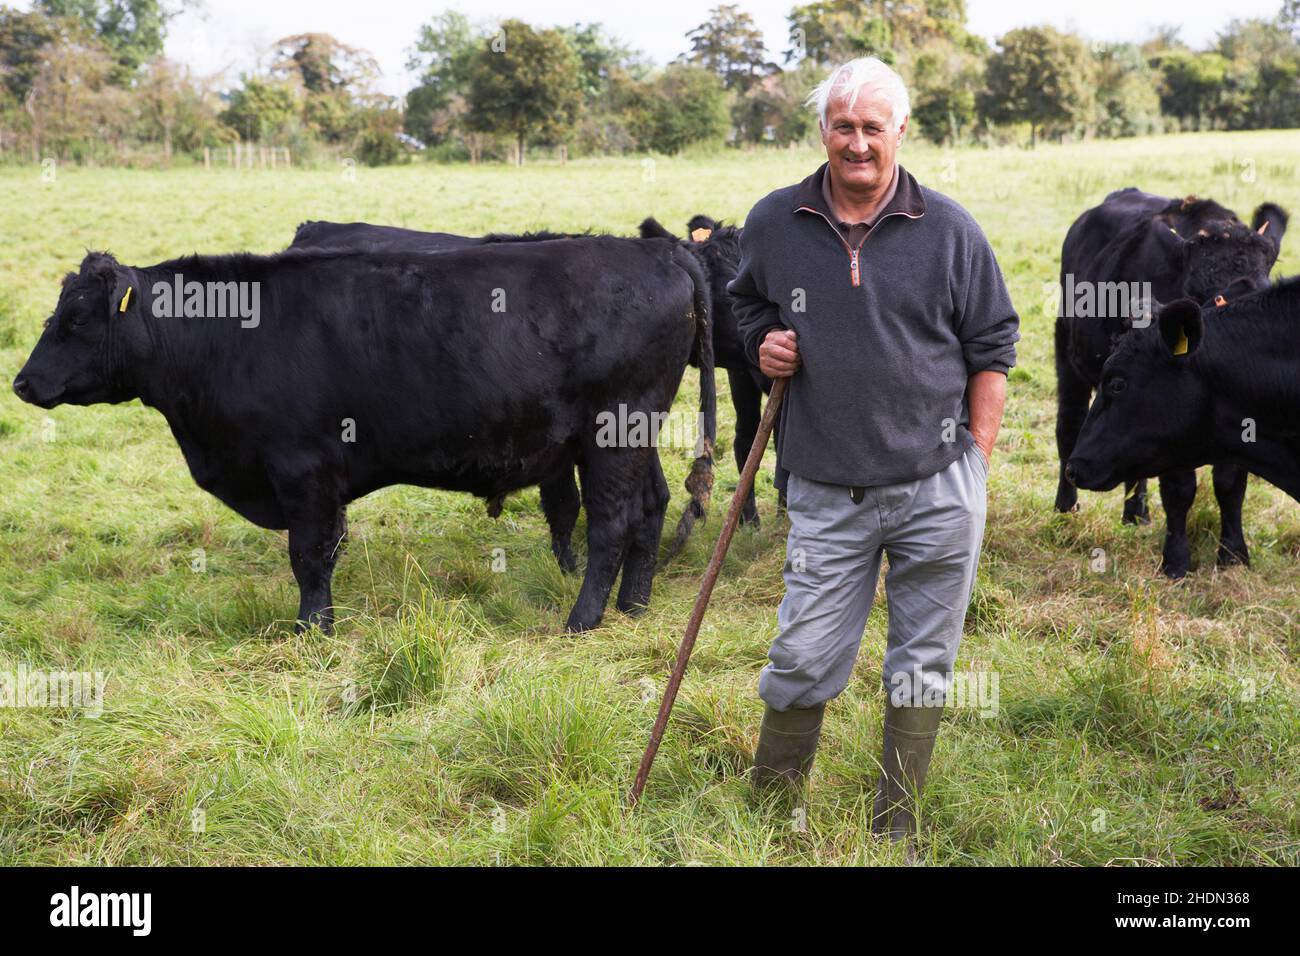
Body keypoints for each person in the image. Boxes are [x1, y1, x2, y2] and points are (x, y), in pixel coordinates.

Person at [727, 56, 1020, 844]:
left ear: (900, 133)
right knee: (802, 654)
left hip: (938, 486)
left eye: (872, 128)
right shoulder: (773, 222)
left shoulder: (950, 230)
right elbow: (743, 303)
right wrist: (763, 343)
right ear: (823, 130)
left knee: (923, 664)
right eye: (843, 126)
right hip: (827, 486)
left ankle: (898, 828)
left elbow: (994, 345)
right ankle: (768, 819)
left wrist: (976, 459)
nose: (858, 143)